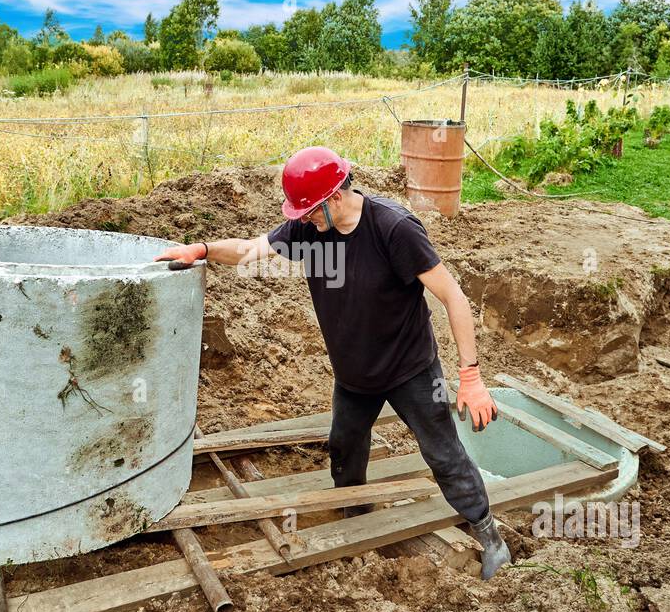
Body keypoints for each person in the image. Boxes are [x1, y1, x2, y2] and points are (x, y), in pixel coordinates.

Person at [156, 146, 511, 579]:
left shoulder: (394, 229)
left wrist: (470, 377)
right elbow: (250, 251)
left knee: (443, 453)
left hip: (409, 369)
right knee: (344, 451)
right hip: (354, 374)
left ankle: (488, 533)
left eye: (309, 210)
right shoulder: (309, 228)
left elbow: (453, 296)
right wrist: (203, 249)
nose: (302, 219)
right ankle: (356, 515)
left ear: (336, 196)